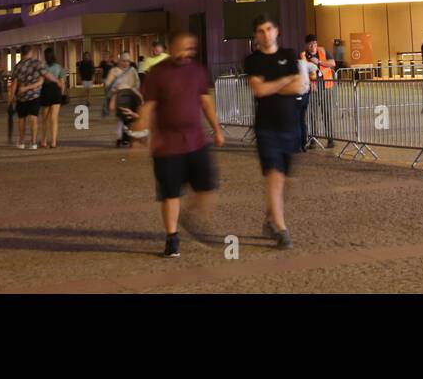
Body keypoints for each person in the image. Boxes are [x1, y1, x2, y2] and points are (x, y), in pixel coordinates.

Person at [130, 31, 224, 258]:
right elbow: (148, 107)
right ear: (171, 48)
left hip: (196, 142)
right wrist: (138, 137)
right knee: (170, 194)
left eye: (190, 48)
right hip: (167, 147)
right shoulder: (157, 74)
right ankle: (172, 238)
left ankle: (188, 215)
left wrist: (217, 129)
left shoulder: (198, 71)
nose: (186, 53)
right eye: (182, 48)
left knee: (207, 189)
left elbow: (205, 101)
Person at [244, 15, 307, 249]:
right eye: (260, 30)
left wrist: (274, 85)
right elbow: (259, 91)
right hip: (266, 128)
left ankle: (270, 219)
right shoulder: (252, 61)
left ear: (277, 31)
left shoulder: (289, 55)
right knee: (275, 176)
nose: (265, 34)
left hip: (290, 126)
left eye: (269, 29)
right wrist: (284, 81)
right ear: (255, 35)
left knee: (284, 181)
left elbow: (299, 86)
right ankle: (282, 229)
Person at [296, 35, 328, 151]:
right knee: (311, 115)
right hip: (310, 90)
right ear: (306, 45)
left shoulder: (322, 52)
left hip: (325, 87)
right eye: (310, 44)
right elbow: (307, 70)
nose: (313, 46)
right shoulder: (303, 56)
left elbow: (332, 63)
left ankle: (330, 139)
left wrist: (319, 62)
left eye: (315, 43)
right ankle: (312, 140)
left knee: (327, 113)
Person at [9, 45, 44, 150]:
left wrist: (11, 98)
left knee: (21, 119)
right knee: (34, 119)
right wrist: (29, 87)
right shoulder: (37, 64)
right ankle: (33, 142)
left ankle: (21, 141)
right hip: (34, 96)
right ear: (30, 52)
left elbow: (14, 84)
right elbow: (41, 81)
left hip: (21, 97)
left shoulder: (17, 66)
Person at [106, 52, 141, 146]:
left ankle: (124, 138)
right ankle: (122, 138)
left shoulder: (132, 70)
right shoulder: (114, 71)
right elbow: (108, 84)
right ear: (120, 61)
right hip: (119, 97)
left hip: (130, 96)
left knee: (128, 119)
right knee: (123, 118)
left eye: (128, 61)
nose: (126, 63)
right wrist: (114, 88)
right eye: (124, 61)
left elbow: (137, 83)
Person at [38, 47, 65, 148]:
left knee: (45, 118)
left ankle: (43, 141)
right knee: (54, 118)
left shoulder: (43, 67)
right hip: (56, 92)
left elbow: (40, 81)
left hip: (45, 91)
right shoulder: (59, 67)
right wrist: (61, 94)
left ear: (45, 56)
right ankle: (53, 142)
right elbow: (62, 84)